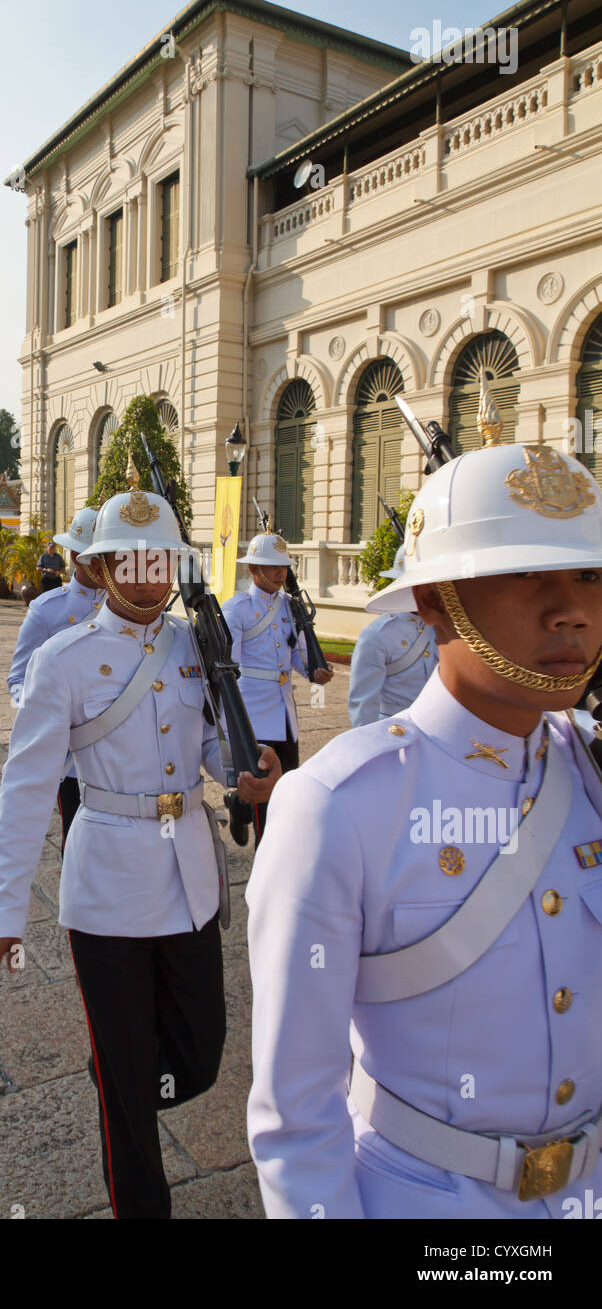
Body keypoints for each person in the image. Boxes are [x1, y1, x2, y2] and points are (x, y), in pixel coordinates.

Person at [247, 440, 602, 1219]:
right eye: (523, 572)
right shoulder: (339, 806)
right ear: (437, 597)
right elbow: (296, 1116)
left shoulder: (592, 773)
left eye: (589, 575)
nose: (571, 606)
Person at [0, 461, 282, 1219]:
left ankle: (121, 1072)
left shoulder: (190, 645)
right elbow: (26, 791)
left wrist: (241, 770)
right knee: (130, 1097)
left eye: (160, 563)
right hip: (107, 885)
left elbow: (206, 744)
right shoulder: (63, 661)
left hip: (191, 877)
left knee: (201, 1054)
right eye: (129, 564)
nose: (146, 580)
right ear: (103, 565)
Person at [222, 530, 333, 834]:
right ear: (253, 569)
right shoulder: (237, 609)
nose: (280, 571)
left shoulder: (289, 606)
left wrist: (313, 671)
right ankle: (254, 831)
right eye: (272, 565)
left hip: (285, 713)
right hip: (254, 712)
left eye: (283, 565)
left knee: (286, 789)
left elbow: (296, 652)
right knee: (262, 799)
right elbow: (227, 670)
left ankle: (239, 807)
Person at [7, 506, 105, 843]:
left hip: (123, 747)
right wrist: (45, 718)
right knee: (76, 840)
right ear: (77, 556)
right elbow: (18, 679)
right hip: (73, 754)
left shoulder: (127, 608)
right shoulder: (48, 610)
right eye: (98, 556)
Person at [348, 543, 439, 726]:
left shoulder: (444, 626)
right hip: (393, 728)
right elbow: (363, 704)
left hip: (437, 725)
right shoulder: (377, 635)